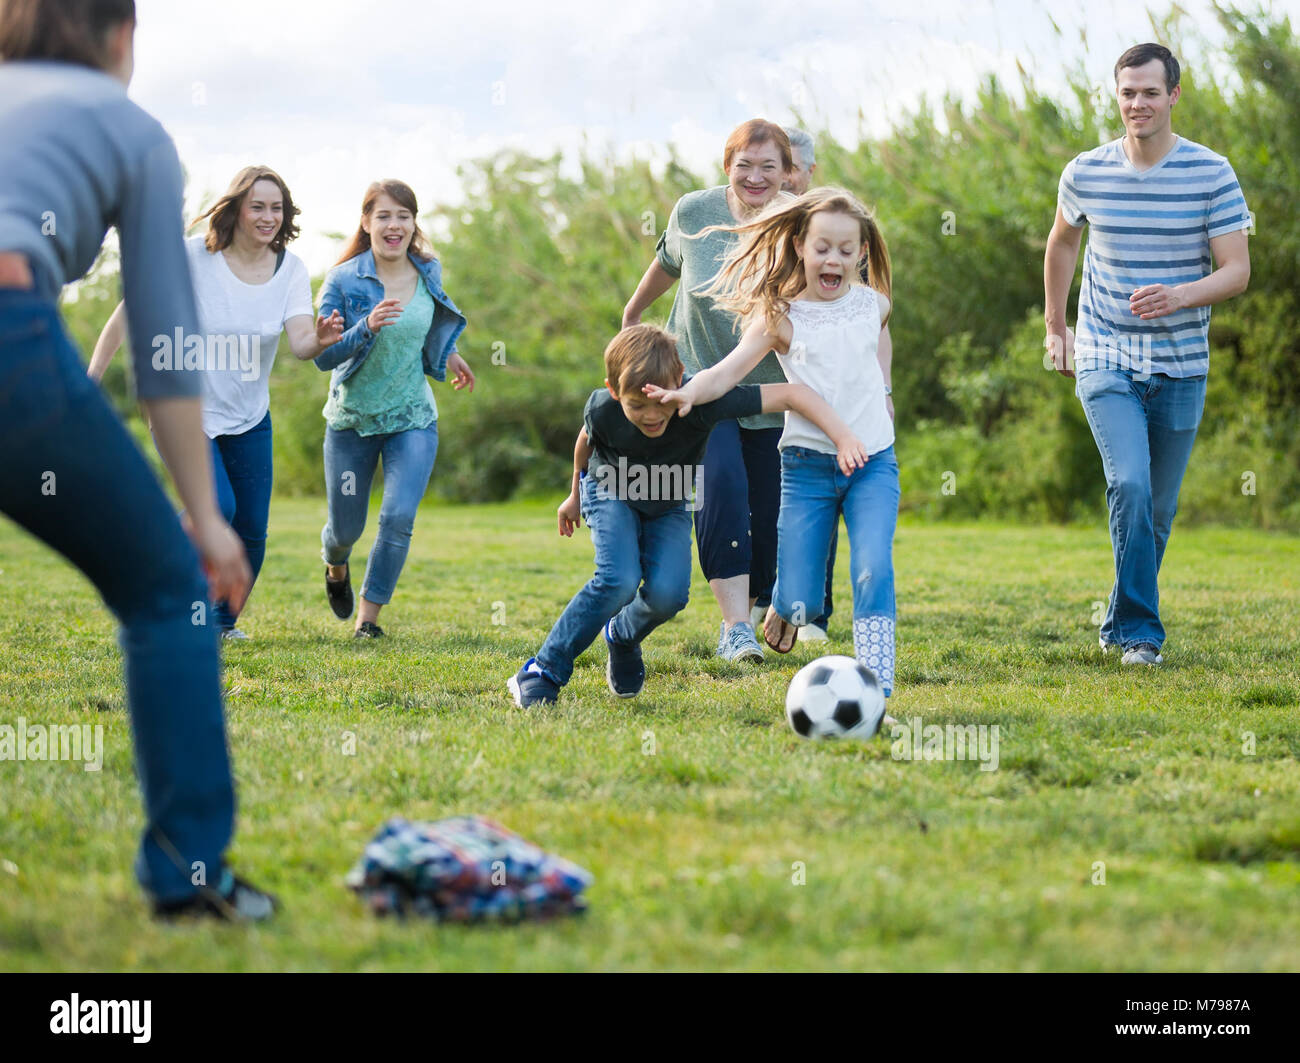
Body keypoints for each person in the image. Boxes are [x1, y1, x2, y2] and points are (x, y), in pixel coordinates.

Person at [0, 0, 273, 919]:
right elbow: (165, 345)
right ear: (120, 38)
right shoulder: (128, 128)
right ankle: (189, 877)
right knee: (168, 590)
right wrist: (205, 522)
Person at [507, 324, 868, 708]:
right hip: (610, 487)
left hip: (669, 497)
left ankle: (624, 636)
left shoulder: (703, 402)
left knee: (669, 595)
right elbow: (586, 441)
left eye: (661, 402)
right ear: (614, 392)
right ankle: (542, 670)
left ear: (679, 380)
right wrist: (573, 495)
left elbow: (791, 394)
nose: (651, 415)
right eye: (637, 405)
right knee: (619, 579)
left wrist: (844, 431)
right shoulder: (603, 408)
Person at [646, 187, 900, 695]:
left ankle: (878, 682)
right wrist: (688, 392)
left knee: (873, 566)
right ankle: (784, 604)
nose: (834, 259)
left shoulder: (874, 303)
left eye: (847, 251)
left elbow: (876, 343)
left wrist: (885, 390)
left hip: (873, 461)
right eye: (823, 247)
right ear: (801, 245)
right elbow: (726, 373)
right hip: (807, 467)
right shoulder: (778, 317)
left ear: (863, 254)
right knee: (802, 597)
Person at [1044, 43, 1251, 666]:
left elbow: (1237, 270)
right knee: (1129, 484)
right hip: (1106, 352)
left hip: (1183, 362)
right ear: (1117, 96)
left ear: (1174, 96)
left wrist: (1180, 295)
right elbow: (1060, 247)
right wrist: (1057, 326)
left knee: (1158, 510)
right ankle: (1141, 634)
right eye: (1128, 92)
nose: (1138, 103)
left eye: (1150, 92)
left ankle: (1119, 617)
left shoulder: (1211, 173)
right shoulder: (1086, 171)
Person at [88, 165, 344, 639]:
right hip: (182, 408)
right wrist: (92, 377)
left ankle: (220, 623)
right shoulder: (193, 257)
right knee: (218, 509)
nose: (268, 216)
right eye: (258, 206)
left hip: (248, 415)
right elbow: (130, 309)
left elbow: (301, 344)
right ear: (236, 209)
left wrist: (323, 339)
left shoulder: (290, 269)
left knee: (251, 530)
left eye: (276, 208)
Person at [623, 119, 794, 663]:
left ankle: (762, 600)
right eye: (745, 165)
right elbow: (668, 265)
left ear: (788, 174)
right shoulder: (694, 212)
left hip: (772, 393)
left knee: (769, 514)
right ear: (727, 166)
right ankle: (734, 628)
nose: (756, 177)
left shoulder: (799, 223)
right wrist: (632, 314)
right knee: (718, 485)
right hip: (697, 382)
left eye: (769, 166)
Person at [314, 179, 475, 637]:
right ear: (366, 223)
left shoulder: (428, 270)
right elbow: (323, 356)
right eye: (384, 215)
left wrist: (450, 353)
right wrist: (364, 326)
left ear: (413, 224)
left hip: (412, 419)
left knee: (399, 516)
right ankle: (335, 563)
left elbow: (431, 327)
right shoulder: (343, 280)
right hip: (352, 422)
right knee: (346, 528)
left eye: (403, 216)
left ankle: (368, 620)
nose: (394, 224)